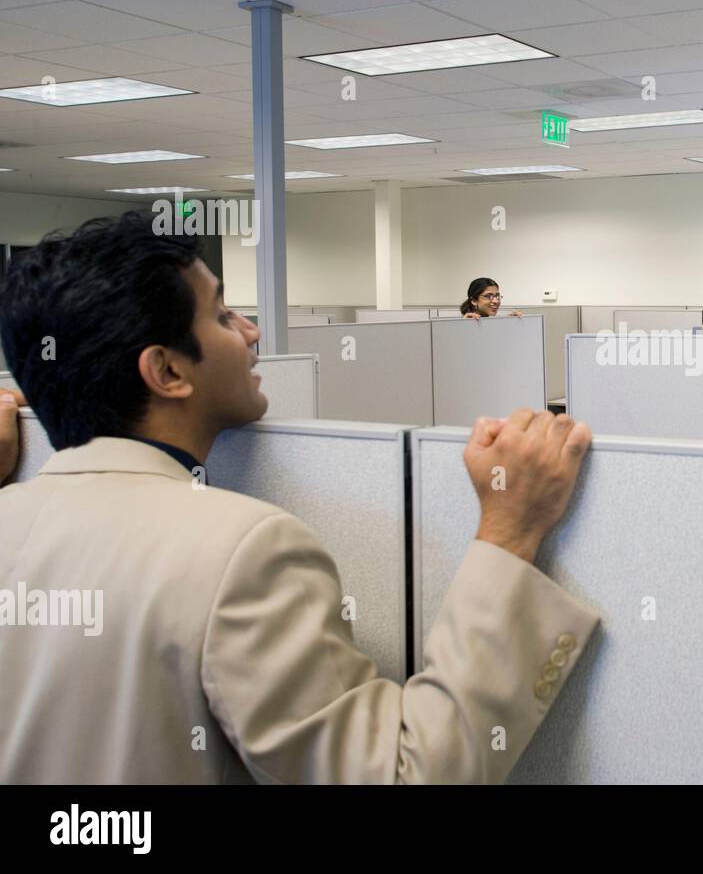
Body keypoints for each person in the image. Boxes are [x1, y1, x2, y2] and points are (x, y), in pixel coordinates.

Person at [0, 212, 597, 784]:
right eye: (224, 315)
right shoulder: (242, 551)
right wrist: (510, 529)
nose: (253, 330)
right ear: (168, 372)